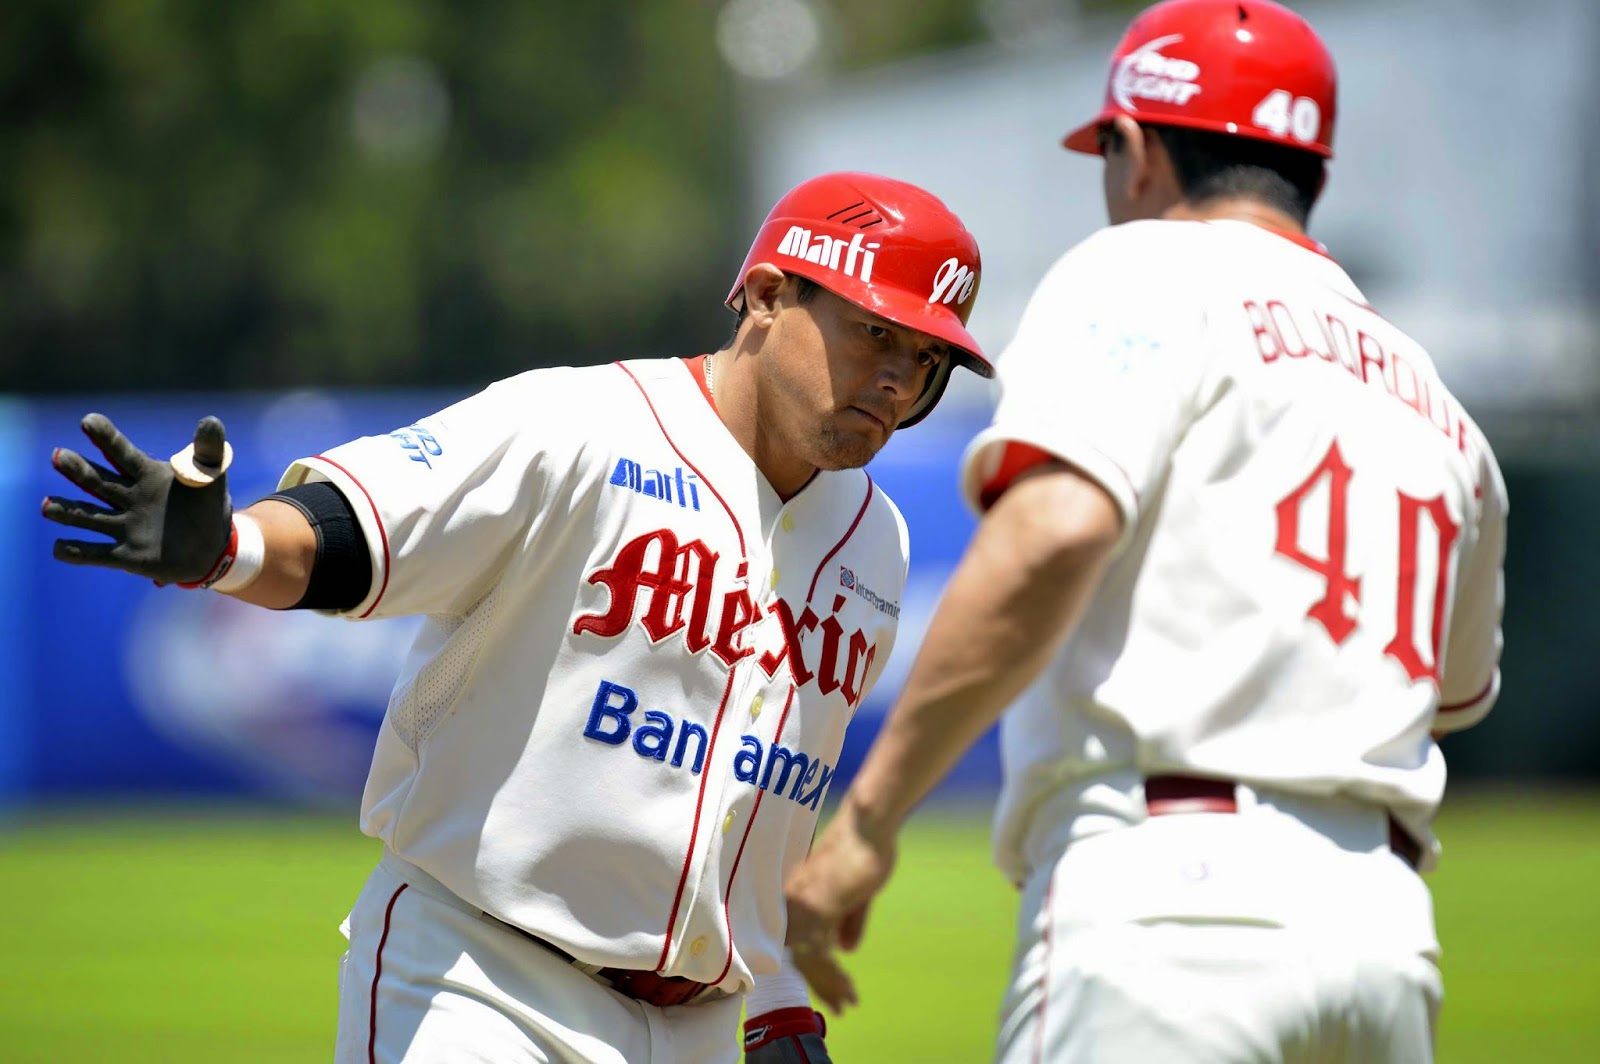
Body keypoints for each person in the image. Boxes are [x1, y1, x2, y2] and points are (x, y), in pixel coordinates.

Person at [41, 170, 991, 1063]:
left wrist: (778, 995)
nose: (900, 379)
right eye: (874, 332)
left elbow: (769, 798)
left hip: (697, 1026)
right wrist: (228, 548)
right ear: (770, 294)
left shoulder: (878, 543)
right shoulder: (582, 424)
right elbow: (359, 531)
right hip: (481, 983)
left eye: (926, 357)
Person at [783, 3, 1508, 1061]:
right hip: (1386, 932)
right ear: (1308, 169)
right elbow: (1450, 695)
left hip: (1171, 911)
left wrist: (867, 821)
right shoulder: (1435, 402)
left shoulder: (1139, 272)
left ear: (1135, 148)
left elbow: (1054, 531)